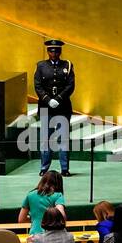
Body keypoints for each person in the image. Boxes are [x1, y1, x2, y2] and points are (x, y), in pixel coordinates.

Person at [34, 40, 74, 176]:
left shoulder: (67, 65)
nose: (54, 53)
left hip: (63, 107)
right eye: (51, 51)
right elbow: (38, 86)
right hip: (46, 108)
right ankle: (44, 168)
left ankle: (64, 169)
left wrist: (58, 99)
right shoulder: (41, 66)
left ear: (60, 52)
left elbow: (70, 85)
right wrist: (47, 99)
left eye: (56, 51)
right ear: (48, 52)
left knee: (63, 139)